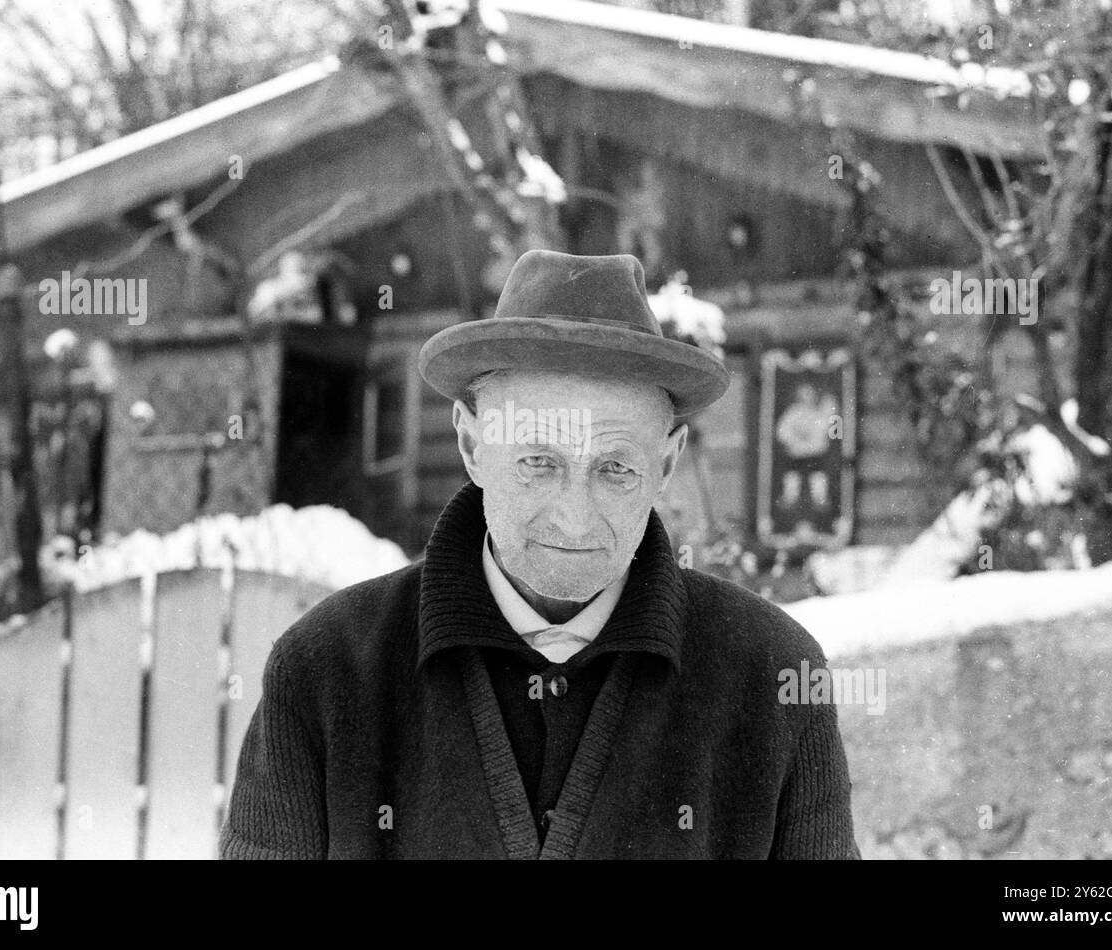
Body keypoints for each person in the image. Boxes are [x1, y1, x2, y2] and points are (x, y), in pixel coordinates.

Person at [220, 249, 860, 859]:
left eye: (615, 468)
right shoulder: (325, 672)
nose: (574, 517)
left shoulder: (771, 678)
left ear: (665, 462)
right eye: (537, 462)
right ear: (472, 447)